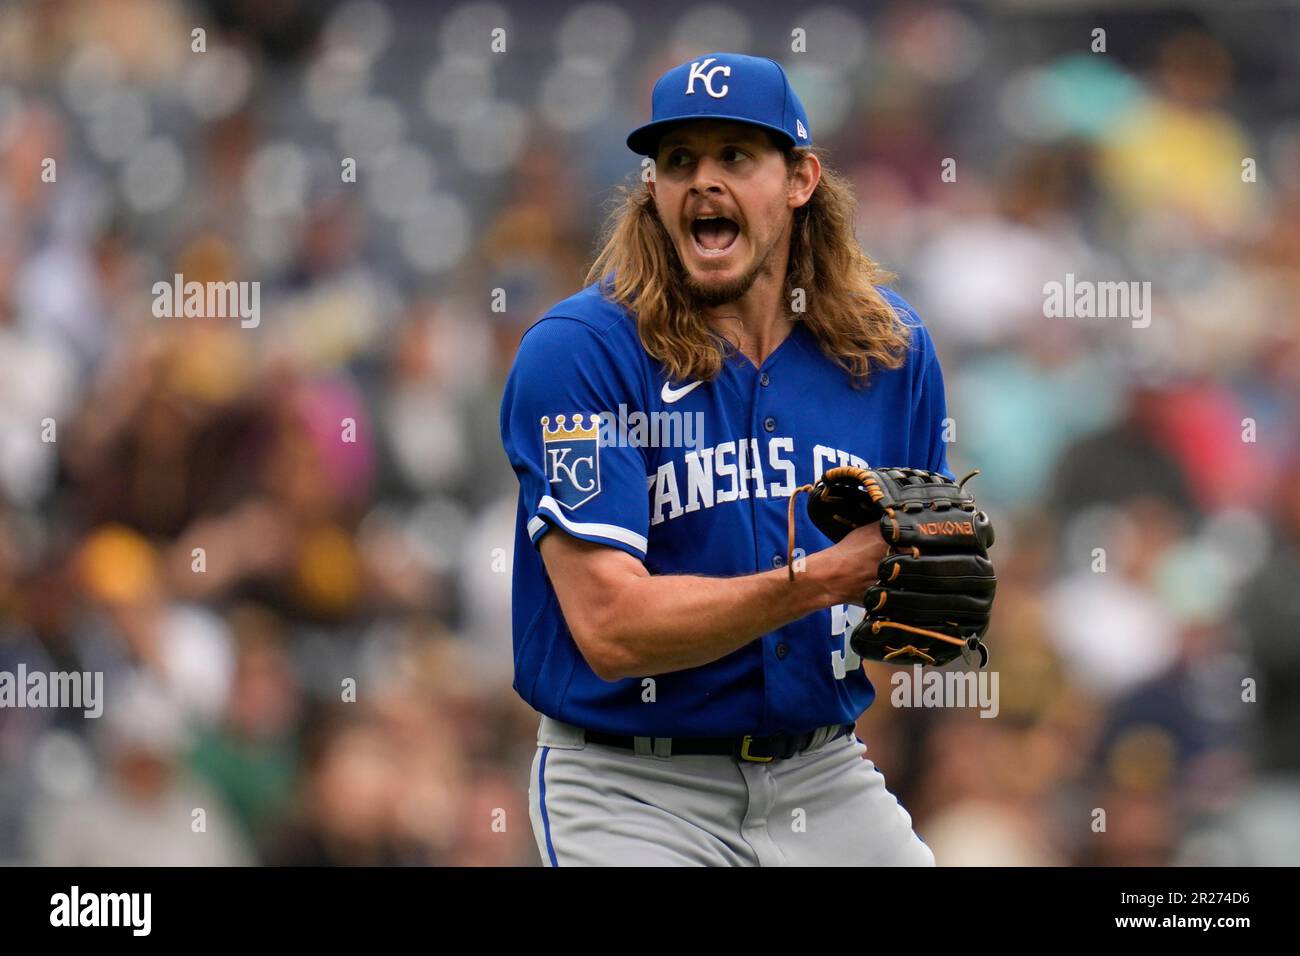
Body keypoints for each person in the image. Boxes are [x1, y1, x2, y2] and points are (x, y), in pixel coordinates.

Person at [500, 52, 949, 866]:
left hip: (822, 773)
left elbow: (899, 593)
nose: (703, 181)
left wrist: (915, 589)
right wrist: (819, 581)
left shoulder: (891, 351)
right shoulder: (579, 354)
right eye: (679, 161)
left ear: (801, 179)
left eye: (735, 156)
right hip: (631, 787)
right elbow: (611, 630)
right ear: (653, 190)